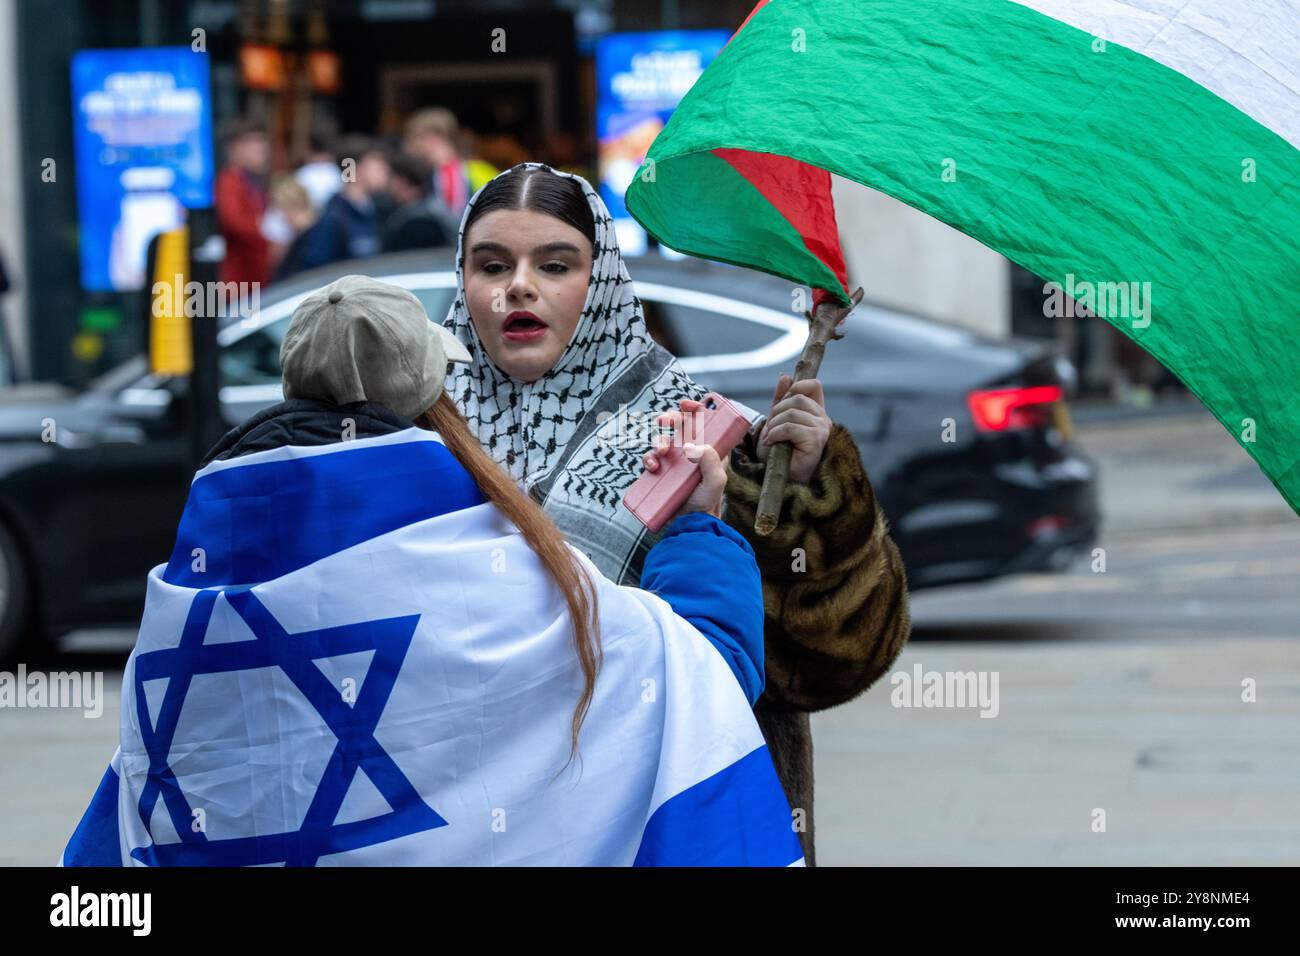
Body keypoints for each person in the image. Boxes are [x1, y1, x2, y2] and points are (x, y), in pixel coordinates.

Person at [61, 274, 803, 867]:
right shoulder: (505, 579)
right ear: (431, 403)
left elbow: (121, 826)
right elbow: (701, 676)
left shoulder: (189, 605)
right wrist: (697, 527)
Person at [441, 162, 913, 865]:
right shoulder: (412, 438)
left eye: (556, 264)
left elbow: (835, 660)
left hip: (655, 828)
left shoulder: (702, 436)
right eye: (492, 264)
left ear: (598, 286)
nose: (519, 285)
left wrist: (813, 490)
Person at [292, 135, 391, 273]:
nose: (385, 171)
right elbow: (316, 270)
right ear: (353, 168)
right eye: (377, 166)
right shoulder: (334, 217)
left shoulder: (375, 211)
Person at [214, 118, 272, 286]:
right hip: (241, 286)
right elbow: (239, 226)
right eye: (255, 146)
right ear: (235, 148)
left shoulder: (254, 182)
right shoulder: (228, 183)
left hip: (259, 283)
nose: (263, 153)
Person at [381, 153, 455, 252]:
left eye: (391, 178)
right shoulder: (437, 209)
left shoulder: (419, 223)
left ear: (402, 182)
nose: (388, 184)